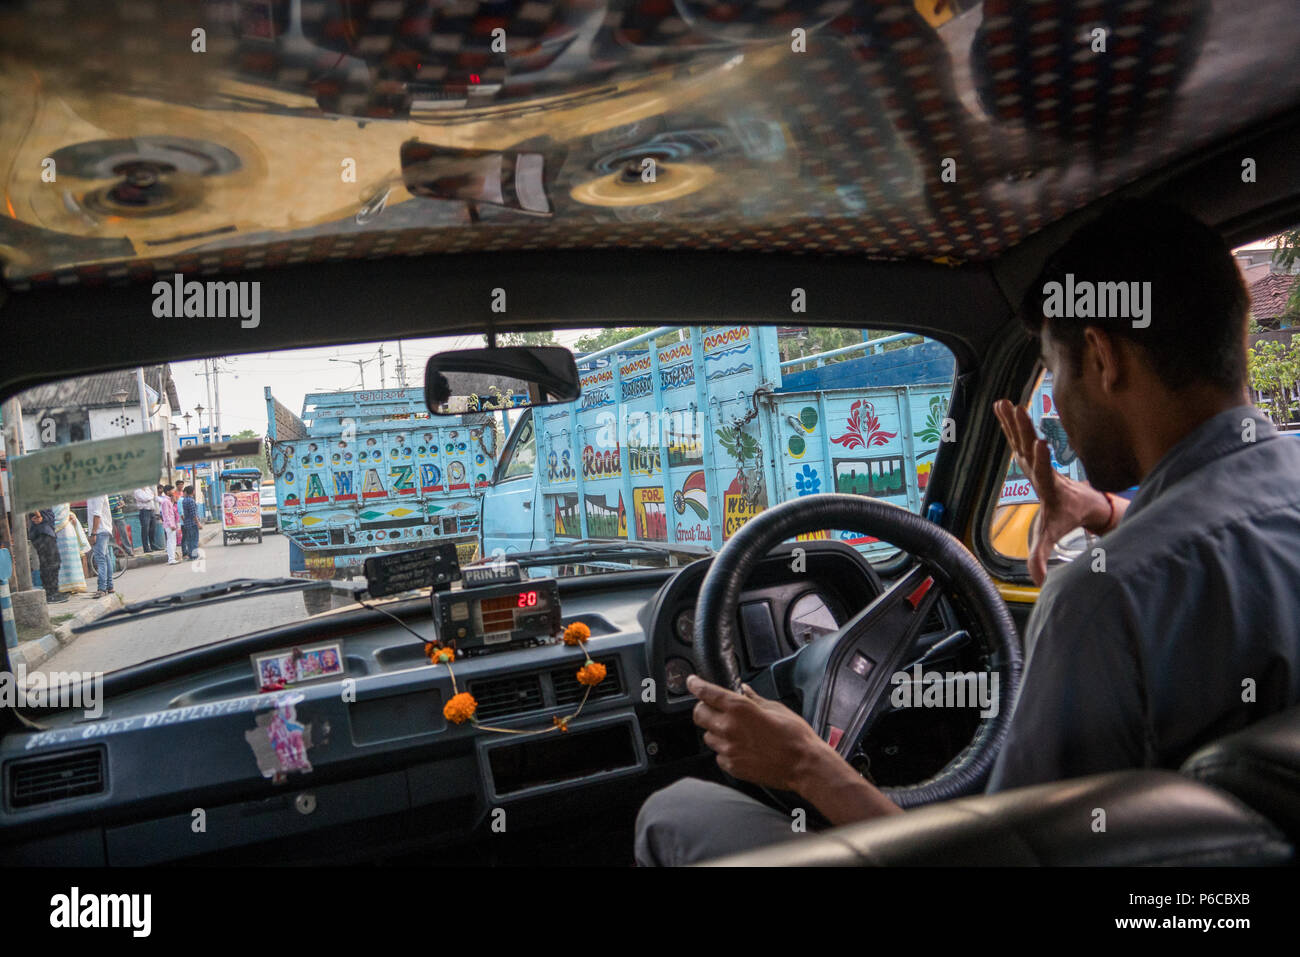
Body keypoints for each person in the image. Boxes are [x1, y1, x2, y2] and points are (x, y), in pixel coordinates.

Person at [634, 200, 1300, 865]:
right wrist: (1101, 511)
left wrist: (807, 764)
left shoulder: (1104, 599)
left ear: (1103, 357)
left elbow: (997, 861)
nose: (1058, 406)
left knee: (676, 809)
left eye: (1053, 370)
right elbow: (1226, 535)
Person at [27, 509, 68, 604]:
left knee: (52, 563)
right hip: (43, 532)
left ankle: (53, 592)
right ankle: (51, 594)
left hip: (45, 531)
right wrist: (39, 516)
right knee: (50, 564)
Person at [52, 503, 89, 595]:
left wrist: (71, 516)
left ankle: (70, 587)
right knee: (64, 561)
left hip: (65, 532)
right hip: (63, 533)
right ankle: (67, 587)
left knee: (66, 561)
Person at [85, 494, 116, 598]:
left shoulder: (98, 494)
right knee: (106, 558)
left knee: (100, 559)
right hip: (102, 530)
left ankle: (102, 588)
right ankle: (110, 586)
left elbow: (97, 515)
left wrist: (93, 533)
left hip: (100, 531)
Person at [159, 484, 180, 564]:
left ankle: (172, 558)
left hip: (171, 524)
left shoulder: (168, 501)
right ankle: (171, 559)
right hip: (169, 525)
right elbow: (166, 515)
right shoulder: (165, 501)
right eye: (172, 490)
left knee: (172, 541)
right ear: (167, 492)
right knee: (171, 542)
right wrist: (171, 525)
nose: (173, 492)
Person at [133, 486, 157, 553]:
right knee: (145, 530)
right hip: (144, 511)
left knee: (152, 529)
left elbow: (152, 495)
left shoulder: (147, 488)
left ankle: (153, 546)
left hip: (152, 510)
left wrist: (151, 496)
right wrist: (151, 496)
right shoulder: (137, 490)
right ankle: (146, 548)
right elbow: (145, 499)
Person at [180, 485, 200, 560]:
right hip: (192, 523)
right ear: (193, 491)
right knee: (194, 540)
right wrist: (198, 523)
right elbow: (193, 514)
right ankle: (194, 556)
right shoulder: (191, 500)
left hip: (187, 523)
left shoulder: (184, 500)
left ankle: (190, 555)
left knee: (189, 540)